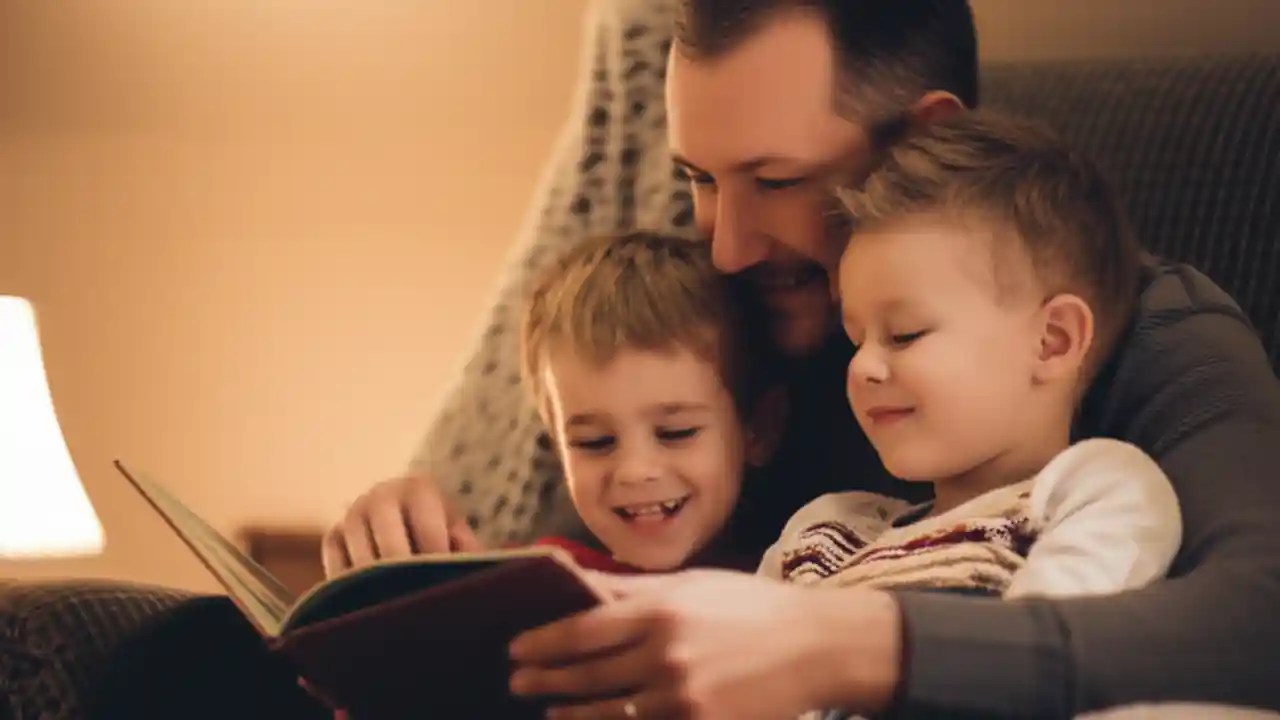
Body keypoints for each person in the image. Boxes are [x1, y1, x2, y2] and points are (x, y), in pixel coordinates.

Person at [327, 1, 1280, 717]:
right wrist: (426, 538)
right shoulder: (731, 318)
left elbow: (1257, 625)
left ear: (925, 137)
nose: (727, 244)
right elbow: (592, 536)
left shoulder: (1148, 330)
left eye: (777, 181)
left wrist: (854, 641)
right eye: (697, 180)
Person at [516, 230, 783, 572]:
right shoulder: (538, 583)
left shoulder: (809, 579)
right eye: (594, 442)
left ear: (760, 430)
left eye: (675, 433)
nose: (635, 471)